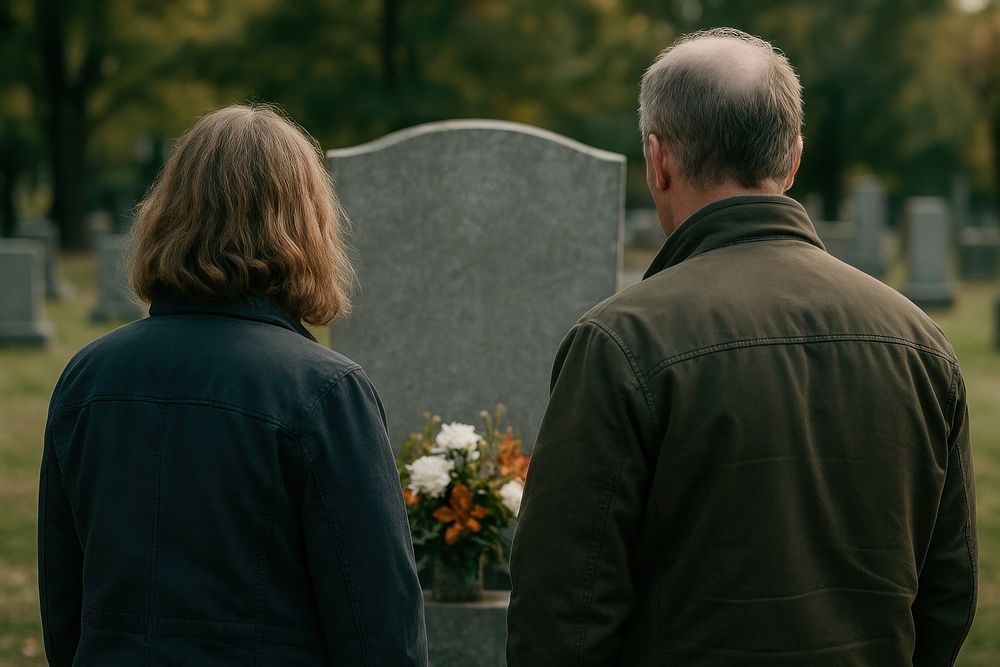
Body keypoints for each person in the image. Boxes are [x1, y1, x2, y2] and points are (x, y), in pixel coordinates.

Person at [507, 28, 977, 666]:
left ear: (658, 159)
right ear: (793, 159)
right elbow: (946, 596)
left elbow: (563, 611)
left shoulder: (621, 342)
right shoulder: (922, 343)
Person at [38, 105, 428, 666]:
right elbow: (379, 627)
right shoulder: (324, 391)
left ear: (168, 212)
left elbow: (64, 607)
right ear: (306, 222)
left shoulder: (88, 376)